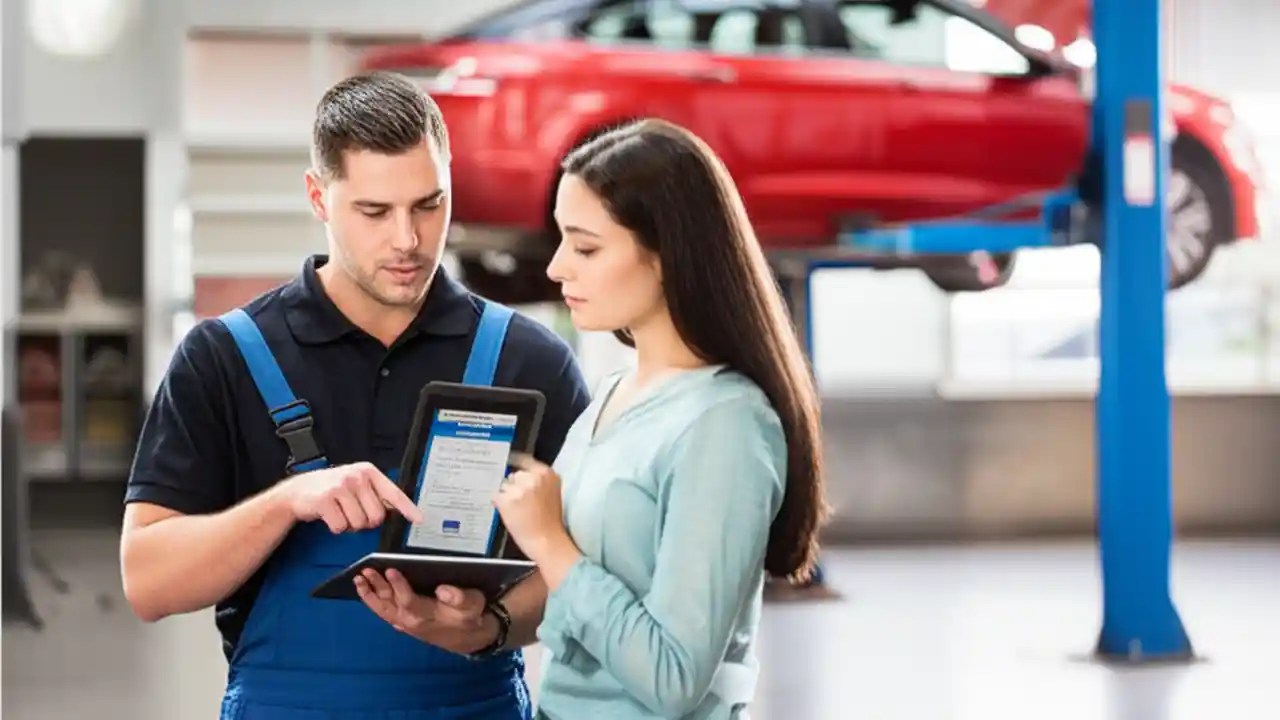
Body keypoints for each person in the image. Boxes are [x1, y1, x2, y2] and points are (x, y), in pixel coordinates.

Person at [119, 71, 590, 719]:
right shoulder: (223, 358)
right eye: (374, 211)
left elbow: (581, 572)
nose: (408, 239)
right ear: (318, 196)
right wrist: (287, 503)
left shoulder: (529, 361)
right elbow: (147, 582)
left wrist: (491, 624)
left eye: (430, 205)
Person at [488, 118, 828, 718]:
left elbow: (672, 678)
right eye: (562, 241)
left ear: (668, 255)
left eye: (587, 246)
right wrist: (480, 624)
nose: (557, 267)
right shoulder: (617, 393)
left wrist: (548, 540)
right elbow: (575, 596)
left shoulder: (725, 423)